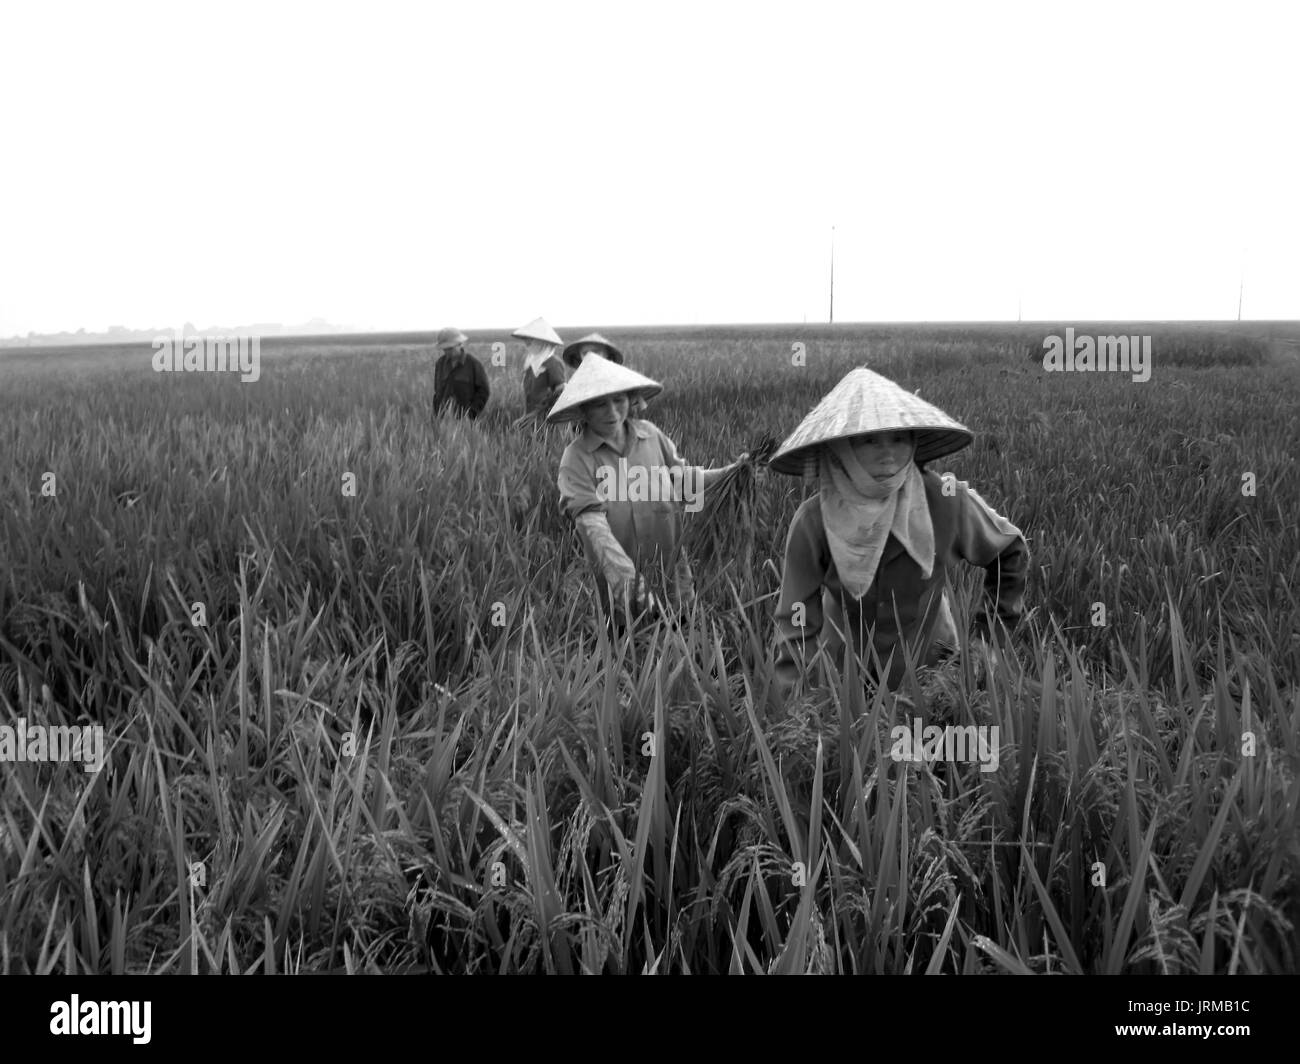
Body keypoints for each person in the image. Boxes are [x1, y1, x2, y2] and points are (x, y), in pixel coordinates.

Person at [768, 366, 1029, 698]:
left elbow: (1010, 551)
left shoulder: (946, 501)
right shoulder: (815, 520)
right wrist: (794, 709)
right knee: (854, 746)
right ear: (842, 447)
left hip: (934, 675)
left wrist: (988, 641)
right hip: (843, 676)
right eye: (868, 440)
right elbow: (796, 618)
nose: (888, 452)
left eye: (898, 437)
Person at [549, 355, 748, 630]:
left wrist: (732, 473)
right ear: (583, 410)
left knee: (682, 637)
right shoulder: (577, 458)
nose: (612, 413)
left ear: (630, 400)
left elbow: (684, 482)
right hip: (618, 581)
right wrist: (628, 582)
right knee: (630, 650)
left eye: (618, 400)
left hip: (671, 571)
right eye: (599, 404)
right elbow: (591, 524)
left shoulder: (651, 436)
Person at [561, 332, 647, 417]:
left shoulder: (621, 378)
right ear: (580, 357)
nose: (590, 356)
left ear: (607, 354)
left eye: (596, 351)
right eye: (585, 353)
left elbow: (640, 407)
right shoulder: (578, 381)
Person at [513, 316, 567, 422]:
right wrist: (526, 417)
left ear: (543, 342)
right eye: (526, 340)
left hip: (548, 420)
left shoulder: (553, 363)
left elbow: (561, 392)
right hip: (532, 418)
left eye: (531, 340)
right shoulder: (530, 363)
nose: (527, 343)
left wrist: (539, 412)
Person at [432, 326, 489, 419]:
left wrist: (471, 414)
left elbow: (483, 391)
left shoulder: (473, 364)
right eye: (444, 349)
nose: (447, 352)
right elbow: (437, 392)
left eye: (450, 348)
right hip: (443, 419)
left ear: (460, 344)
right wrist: (437, 415)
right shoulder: (440, 364)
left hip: (467, 420)